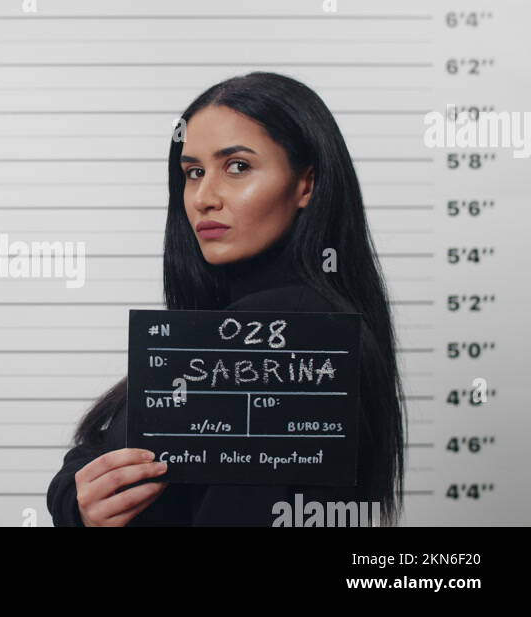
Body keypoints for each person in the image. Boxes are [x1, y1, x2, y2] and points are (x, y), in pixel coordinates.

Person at [46, 72, 407, 527]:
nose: (203, 197)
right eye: (193, 172)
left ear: (306, 184)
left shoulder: (285, 329)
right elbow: (99, 450)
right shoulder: (248, 324)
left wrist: (74, 497)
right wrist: (78, 497)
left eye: (238, 167)